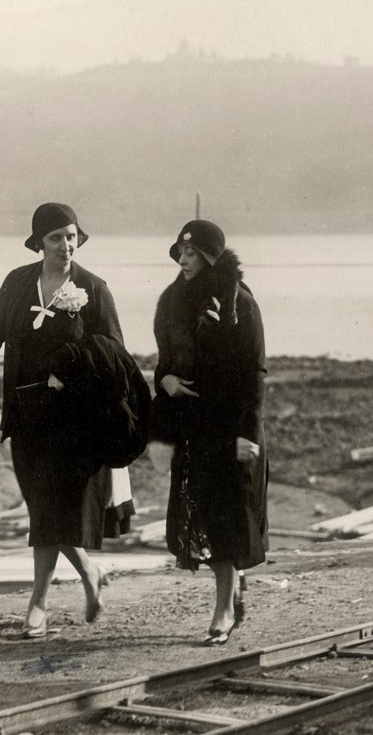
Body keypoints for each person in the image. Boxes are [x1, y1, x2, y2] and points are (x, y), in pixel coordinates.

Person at [0, 202, 148, 639]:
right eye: (57, 237)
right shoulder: (18, 283)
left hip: (78, 424)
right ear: (39, 242)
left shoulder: (94, 289)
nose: (66, 245)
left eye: (72, 236)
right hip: (27, 418)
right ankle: (89, 572)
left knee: (50, 514)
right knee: (44, 510)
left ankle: (37, 605)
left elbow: (114, 355)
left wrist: (72, 368)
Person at [148, 219, 268, 646]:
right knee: (206, 514)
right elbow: (164, 359)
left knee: (224, 519)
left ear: (210, 257)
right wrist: (166, 381)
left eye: (192, 253)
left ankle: (223, 611)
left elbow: (253, 375)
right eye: (180, 253)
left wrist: (247, 434)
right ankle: (230, 594)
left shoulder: (241, 304)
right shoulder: (172, 301)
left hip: (230, 428)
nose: (182, 260)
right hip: (192, 428)